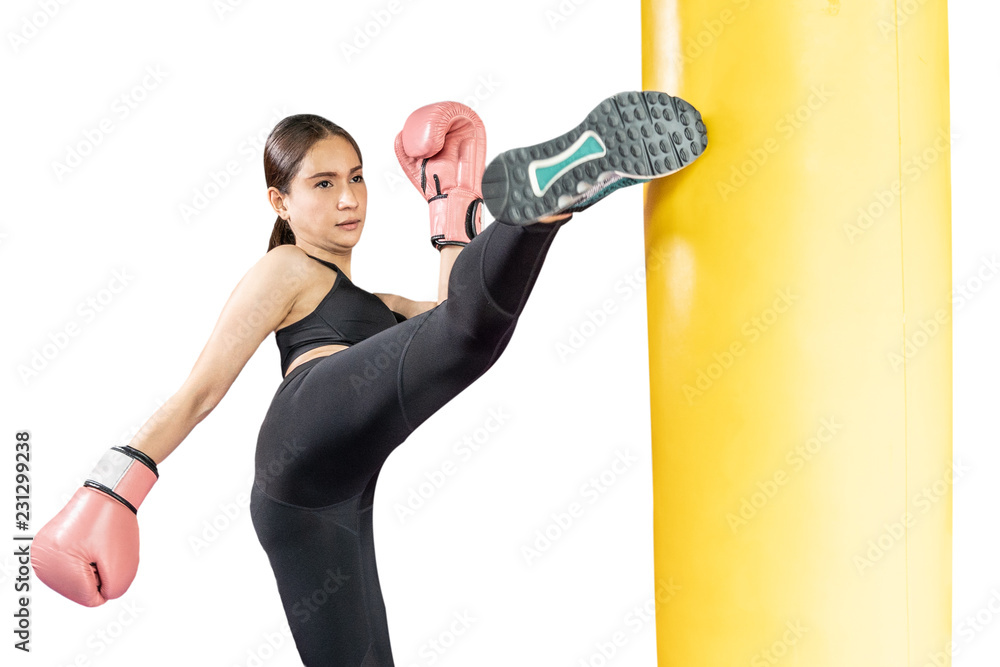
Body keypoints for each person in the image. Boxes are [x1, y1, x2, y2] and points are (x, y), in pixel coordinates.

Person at [31, 91, 707, 666]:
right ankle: (540, 208)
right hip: (301, 442)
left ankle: (544, 203)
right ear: (281, 201)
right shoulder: (287, 270)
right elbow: (200, 393)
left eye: (356, 178)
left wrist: (449, 206)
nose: (350, 199)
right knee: (465, 337)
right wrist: (110, 490)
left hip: (334, 495)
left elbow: (456, 314)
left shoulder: (382, 306)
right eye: (323, 184)